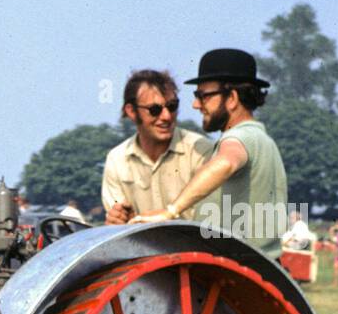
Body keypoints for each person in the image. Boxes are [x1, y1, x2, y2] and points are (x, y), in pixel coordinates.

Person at [131, 49, 288, 257]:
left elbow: (226, 163)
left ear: (231, 98)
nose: (196, 105)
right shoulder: (262, 140)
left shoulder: (241, 137)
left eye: (202, 96)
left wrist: (171, 211)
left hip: (237, 274)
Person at [102, 69, 211, 224]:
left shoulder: (200, 150)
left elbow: (209, 219)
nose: (166, 116)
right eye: (155, 110)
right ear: (131, 111)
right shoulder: (116, 160)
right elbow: (117, 222)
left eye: (172, 106)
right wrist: (117, 220)